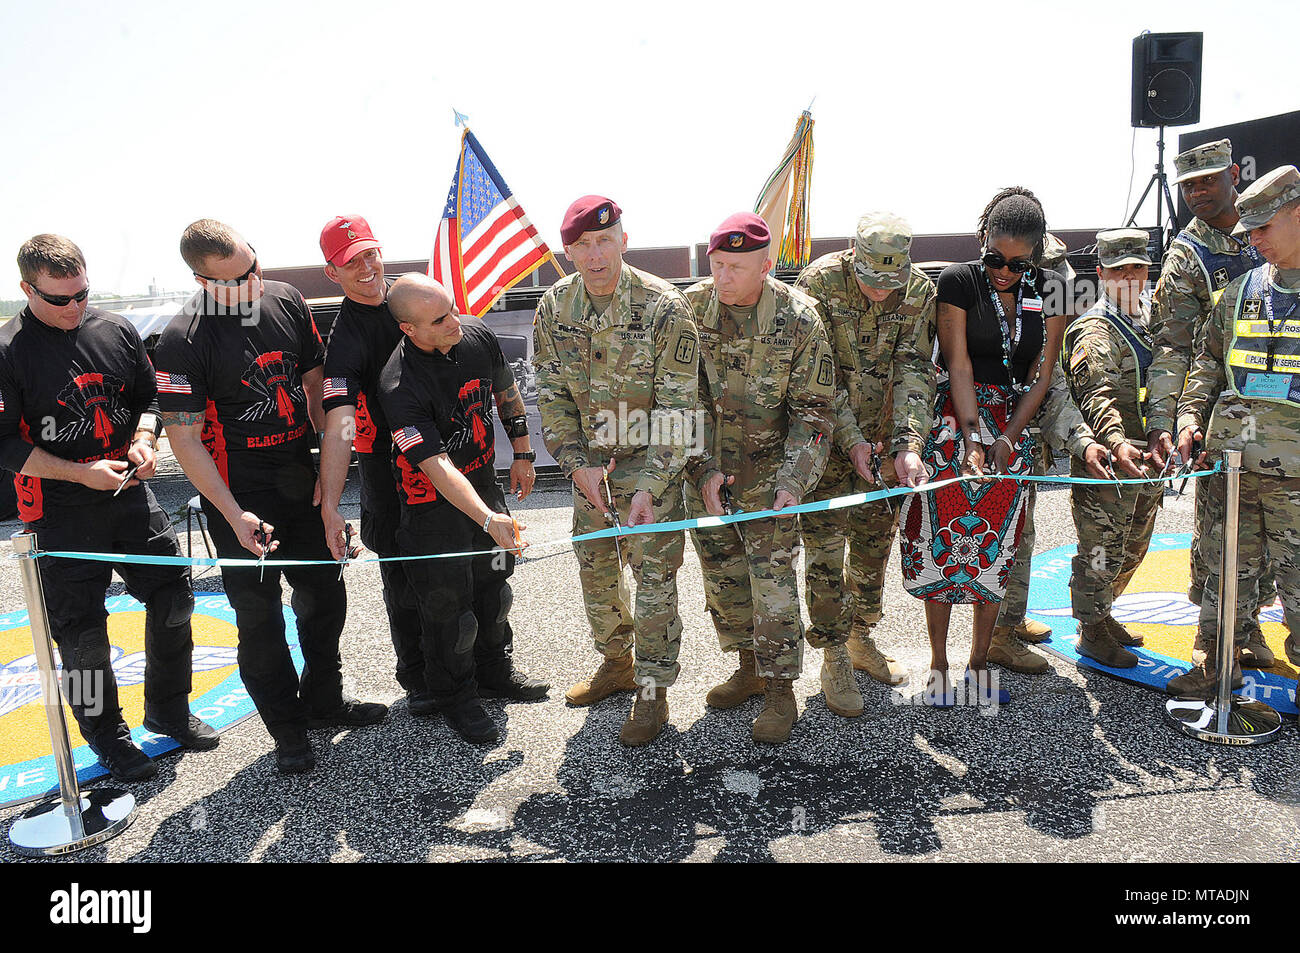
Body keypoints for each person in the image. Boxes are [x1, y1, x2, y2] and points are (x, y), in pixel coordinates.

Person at [154, 219, 387, 775]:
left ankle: (324, 700)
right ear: (203, 281)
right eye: (236, 280)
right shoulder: (182, 338)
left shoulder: (286, 300)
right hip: (239, 499)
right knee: (259, 621)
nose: (254, 283)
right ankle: (286, 730)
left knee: (324, 597)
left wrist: (327, 488)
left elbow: (315, 392)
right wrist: (232, 514)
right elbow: (184, 440)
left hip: (298, 482)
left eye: (254, 266)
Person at [0, 235, 217, 781]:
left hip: (128, 497)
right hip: (59, 510)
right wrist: (79, 473)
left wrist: (146, 438)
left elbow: (150, 396)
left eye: (82, 294)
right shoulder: (8, 351)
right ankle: (108, 739)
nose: (74, 307)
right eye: (59, 299)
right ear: (27, 290)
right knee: (82, 637)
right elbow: (2, 445)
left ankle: (169, 711)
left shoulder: (114, 329)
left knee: (174, 602)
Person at [315, 215, 547, 714]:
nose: (365, 266)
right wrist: (332, 503)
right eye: (350, 261)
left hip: (468, 470)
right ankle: (426, 683)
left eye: (370, 253)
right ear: (331, 273)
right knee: (416, 593)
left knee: (491, 580)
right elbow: (339, 424)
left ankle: (493, 671)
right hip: (396, 480)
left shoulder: (424, 297)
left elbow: (498, 379)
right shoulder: (348, 342)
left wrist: (522, 451)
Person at [533, 196, 698, 746]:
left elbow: (681, 410)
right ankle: (616, 663)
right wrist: (576, 465)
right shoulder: (555, 307)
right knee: (597, 572)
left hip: (654, 467)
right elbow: (551, 394)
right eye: (583, 244)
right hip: (591, 470)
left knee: (653, 583)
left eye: (605, 241)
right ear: (569, 250)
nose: (595, 254)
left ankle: (653, 691)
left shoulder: (664, 307)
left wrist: (651, 485)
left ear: (624, 240)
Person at [901, 187, 1066, 705]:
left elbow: (1044, 375)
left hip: (1014, 425)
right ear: (982, 241)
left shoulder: (1058, 286)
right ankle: (938, 666)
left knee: (995, 554)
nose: (1004, 271)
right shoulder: (956, 279)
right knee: (942, 548)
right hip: (958, 418)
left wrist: (1009, 439)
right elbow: (958, 364)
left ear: (1037, 254)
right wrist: (974, 441)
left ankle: (979, 666)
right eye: (995, 257)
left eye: (1019, 263)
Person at [684, 212, 835, 743]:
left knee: (771, 584)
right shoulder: (690, 310)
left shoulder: (800, 320)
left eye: (736, 268)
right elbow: (680, 400)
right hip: (708, 470)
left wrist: (792, 485)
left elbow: (815, 415)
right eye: (717, 265)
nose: (722, 278)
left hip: (773, 474)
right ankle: (747, 667)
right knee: (723, 578)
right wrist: (702, 469)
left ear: (766, 267)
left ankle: (779, 689)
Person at [377, 274, 540, 744]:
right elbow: (438, 467)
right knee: (450, 611)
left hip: (484, 484)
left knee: (495, 592)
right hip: (431, 507)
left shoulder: (474, 334)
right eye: (440, 319)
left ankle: (495, 673)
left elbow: (505, 390)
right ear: (410, 329)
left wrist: (524, 453)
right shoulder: (398, 384)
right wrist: (488, 520)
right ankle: (458, 698)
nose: (456, 324)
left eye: (452, 309)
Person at [794, 212, 936, 714]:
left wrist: (907, 443)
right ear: (854, 256)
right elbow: (817, 375)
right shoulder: (819, 283)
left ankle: (860, 636)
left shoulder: (917, 291)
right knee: (827, 549)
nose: (882, 290)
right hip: (825, 440)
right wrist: (852, 441)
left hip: (886, 447)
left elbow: (915, 369)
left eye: (890, 281)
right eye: (872, 279)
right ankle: (832, 650)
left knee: (875, 546)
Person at [1170, 165, 1300, 695]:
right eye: (1251, 230)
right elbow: (1206, 362)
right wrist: (1187, 418)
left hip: (1296, 476)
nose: (1256, 239)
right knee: (1227, 571)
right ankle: (1217, 662)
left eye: (1267, 226)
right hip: (1235, 467)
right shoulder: (1243, 290)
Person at [1146, 138, 1275, 667]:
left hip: (1277, 413)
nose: (1197, 192)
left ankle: (1249, 626)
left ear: (1232, 178)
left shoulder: (1266, 238)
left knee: (1270, 530)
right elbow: (1173, 347)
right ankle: (1214, 635)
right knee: (1222, 528)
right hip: (1219, 416)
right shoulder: (1187, 255)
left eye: (1207, 180)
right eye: (1189, 185)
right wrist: (1168, 420)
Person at [1061, 228, 1163, 668]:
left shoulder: (1151, 319)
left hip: (1148, 457)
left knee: (1136, 543)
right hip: (1108, 460)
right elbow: (1095, 394)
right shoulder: (1095, 330)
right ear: (1101, 274)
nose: (1130, 277)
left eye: (1138, 268)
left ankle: (1104, 614)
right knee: (1103, 548)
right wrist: (1117, 441)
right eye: (1119, 270)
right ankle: (1090, 628)